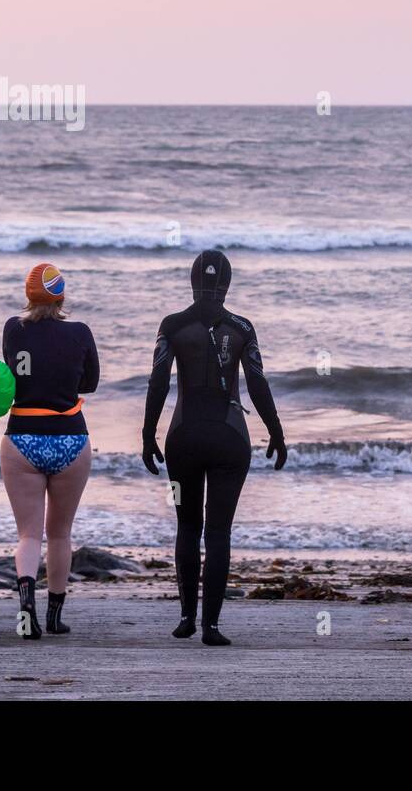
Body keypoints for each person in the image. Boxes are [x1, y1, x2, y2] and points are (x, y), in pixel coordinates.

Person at [142, 250, 287, 646]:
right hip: (231, 441)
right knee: (219, 531)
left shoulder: (172, 325)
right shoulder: (243, 328)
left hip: (182, 441)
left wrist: (147, 433)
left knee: (187, 526)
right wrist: (276, 431)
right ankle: (212, 627)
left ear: (191, 281)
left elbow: (158, 383)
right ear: (228, 284)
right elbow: (258, 383)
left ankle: (187, 617)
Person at [1, 263, 99, 640]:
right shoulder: (80, 332)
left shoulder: (14, 328)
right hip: (71, 440)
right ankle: (55, 616)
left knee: (29, 535)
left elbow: (11, 375)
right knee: (59, 534)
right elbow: (89, 383)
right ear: (61, 296)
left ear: (29, 296)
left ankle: (26, 606)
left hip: (22, 439)